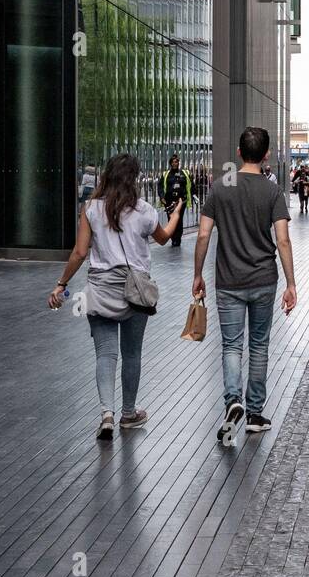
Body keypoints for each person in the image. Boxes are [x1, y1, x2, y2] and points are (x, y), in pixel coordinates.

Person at [49, 153, 184, 441]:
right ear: (134, 179)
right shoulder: (145, 210)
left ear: (106, 176)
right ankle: (129, 413)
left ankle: (106, 413)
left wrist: (61, 284)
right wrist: (174, 217)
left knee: (105, 354)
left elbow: (80, 252)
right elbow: (163, 238)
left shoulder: (91, 209)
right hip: (135, 290)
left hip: (100, 289)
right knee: (132, 353)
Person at [193, 126, 296, 444]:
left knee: (232, 345)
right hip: (264, 278)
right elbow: (282, 240)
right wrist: (291, 283)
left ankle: (232, 401)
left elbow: (203, 235)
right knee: (260, 346)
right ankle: (254, 414)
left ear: (239, 152)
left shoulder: (220, 187)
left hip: (228, 280)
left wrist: (197, 275)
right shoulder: (272, 191)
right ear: (266, 155)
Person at [158, 154, 192, 248]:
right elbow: (160, 186)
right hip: (169, 201)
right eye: (173, 162)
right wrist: (162, 197)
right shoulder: (166, 174)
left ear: (178, 163)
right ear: (170, 164)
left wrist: (192, 196)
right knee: (171, 220)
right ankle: (173, 239)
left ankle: (177, 239)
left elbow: (190, 185)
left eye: (176, 162)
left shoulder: (184, 173)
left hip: (181, 202)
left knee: (179, 220)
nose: (175, 164)